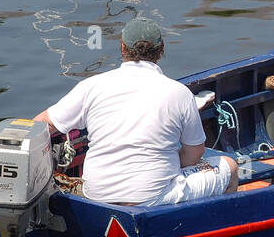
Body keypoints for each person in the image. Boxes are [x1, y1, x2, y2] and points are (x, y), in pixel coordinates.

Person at [33, 17, 237, 206]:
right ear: (161, 50)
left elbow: (41, 125)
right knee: (230, 166)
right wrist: (172, 166)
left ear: (122, 48)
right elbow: (195, 152)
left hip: (97, 194)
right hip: (154, 197)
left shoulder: (92, 86)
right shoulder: (179, 93)